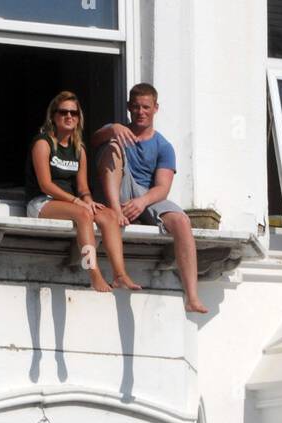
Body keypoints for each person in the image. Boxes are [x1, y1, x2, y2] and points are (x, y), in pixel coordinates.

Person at [92, 83, 208, 314]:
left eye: (146, 107)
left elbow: (162, 188)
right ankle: (116, 211)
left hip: (146, 197)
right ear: (128, 108)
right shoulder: (117, 131)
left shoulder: (164, 146)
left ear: (156, 108)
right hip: (118, 191)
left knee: (182, 221)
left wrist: (142, 202)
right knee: (112, 147)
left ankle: (192, 297)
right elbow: (93, 141)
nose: (140, 112)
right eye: (135, 107)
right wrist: (112, 128)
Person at [25, 90, 140, 293]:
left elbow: (83, 188)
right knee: (83, 213)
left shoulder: (79, 149)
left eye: (74, 113)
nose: (69, 116)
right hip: (42, 202)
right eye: (63, 112)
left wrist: (87, 199)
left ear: (79, 118)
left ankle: (120, 275)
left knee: (110, 215)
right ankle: (93, 273)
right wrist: (78, 202)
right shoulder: (43, 143)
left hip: (71, 203)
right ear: (53, 116)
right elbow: (45, 184)